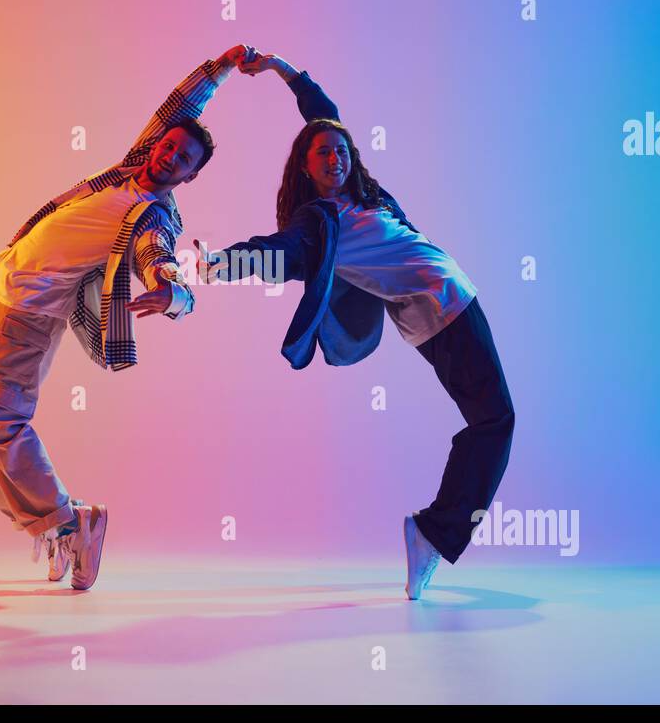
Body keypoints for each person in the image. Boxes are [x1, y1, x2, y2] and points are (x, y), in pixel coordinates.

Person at [201, 52, 515, 600]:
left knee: (489, 419)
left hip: (453, 300)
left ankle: (435, 532)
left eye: (341, 151)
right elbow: (275, 251)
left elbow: (323, 113)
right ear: (306, 165)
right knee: (495, 420)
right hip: (444, 312)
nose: (334, 158)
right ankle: (433, 532)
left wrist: (276, 65)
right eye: (322, 153)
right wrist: (209, 266)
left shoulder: (366, 197)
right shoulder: (319, 222)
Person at [0, 46, 254, 590]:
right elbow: (178, 106)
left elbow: (157, 256)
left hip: (27, 314)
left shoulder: (151, 213)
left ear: (189, 177)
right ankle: (51, 529)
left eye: (182, 160)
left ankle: (71, 523)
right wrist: (223, 65)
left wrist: (173, 294)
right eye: (168, 147)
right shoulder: (129, 170)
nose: (169, 157)